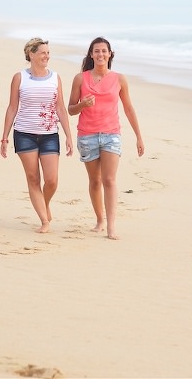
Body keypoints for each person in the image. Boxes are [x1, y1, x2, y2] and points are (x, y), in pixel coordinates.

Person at [68, 37, 144, 240]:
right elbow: (70, 109)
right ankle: (99, 219)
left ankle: (111, 226)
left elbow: (128, 108)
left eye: (104, 51)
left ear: (110, 54)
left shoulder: (119, 79)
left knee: (109, 180)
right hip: (87, 135)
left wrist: (139, 136)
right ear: (91, 55)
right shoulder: (80, 78)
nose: (100, 54)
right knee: (95, 181)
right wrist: (82, 105)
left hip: (111, 134)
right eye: (97, 51)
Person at [0, 38, 73, 233]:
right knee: (33, 179)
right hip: (24, 133)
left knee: (51, 180)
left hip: (49, 134)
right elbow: (12, 107)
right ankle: (44, 221)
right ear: (31, 54)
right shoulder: (19, 77)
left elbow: (60, 108)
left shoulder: (55, 78)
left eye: (48, 53)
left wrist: (68, 135)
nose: (46, 56)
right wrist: (5, 137)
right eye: (42, 52)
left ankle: (44, 204)